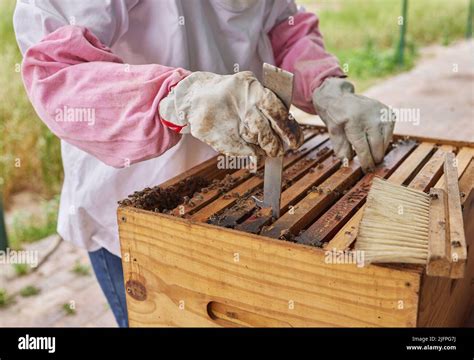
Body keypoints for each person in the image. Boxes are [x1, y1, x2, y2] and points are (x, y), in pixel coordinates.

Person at [13, 0, 394, 327]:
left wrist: (326, 85)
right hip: (139, 205)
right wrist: (180, 98)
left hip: (245, 196)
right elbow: (58, 74)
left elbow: (281, 25)